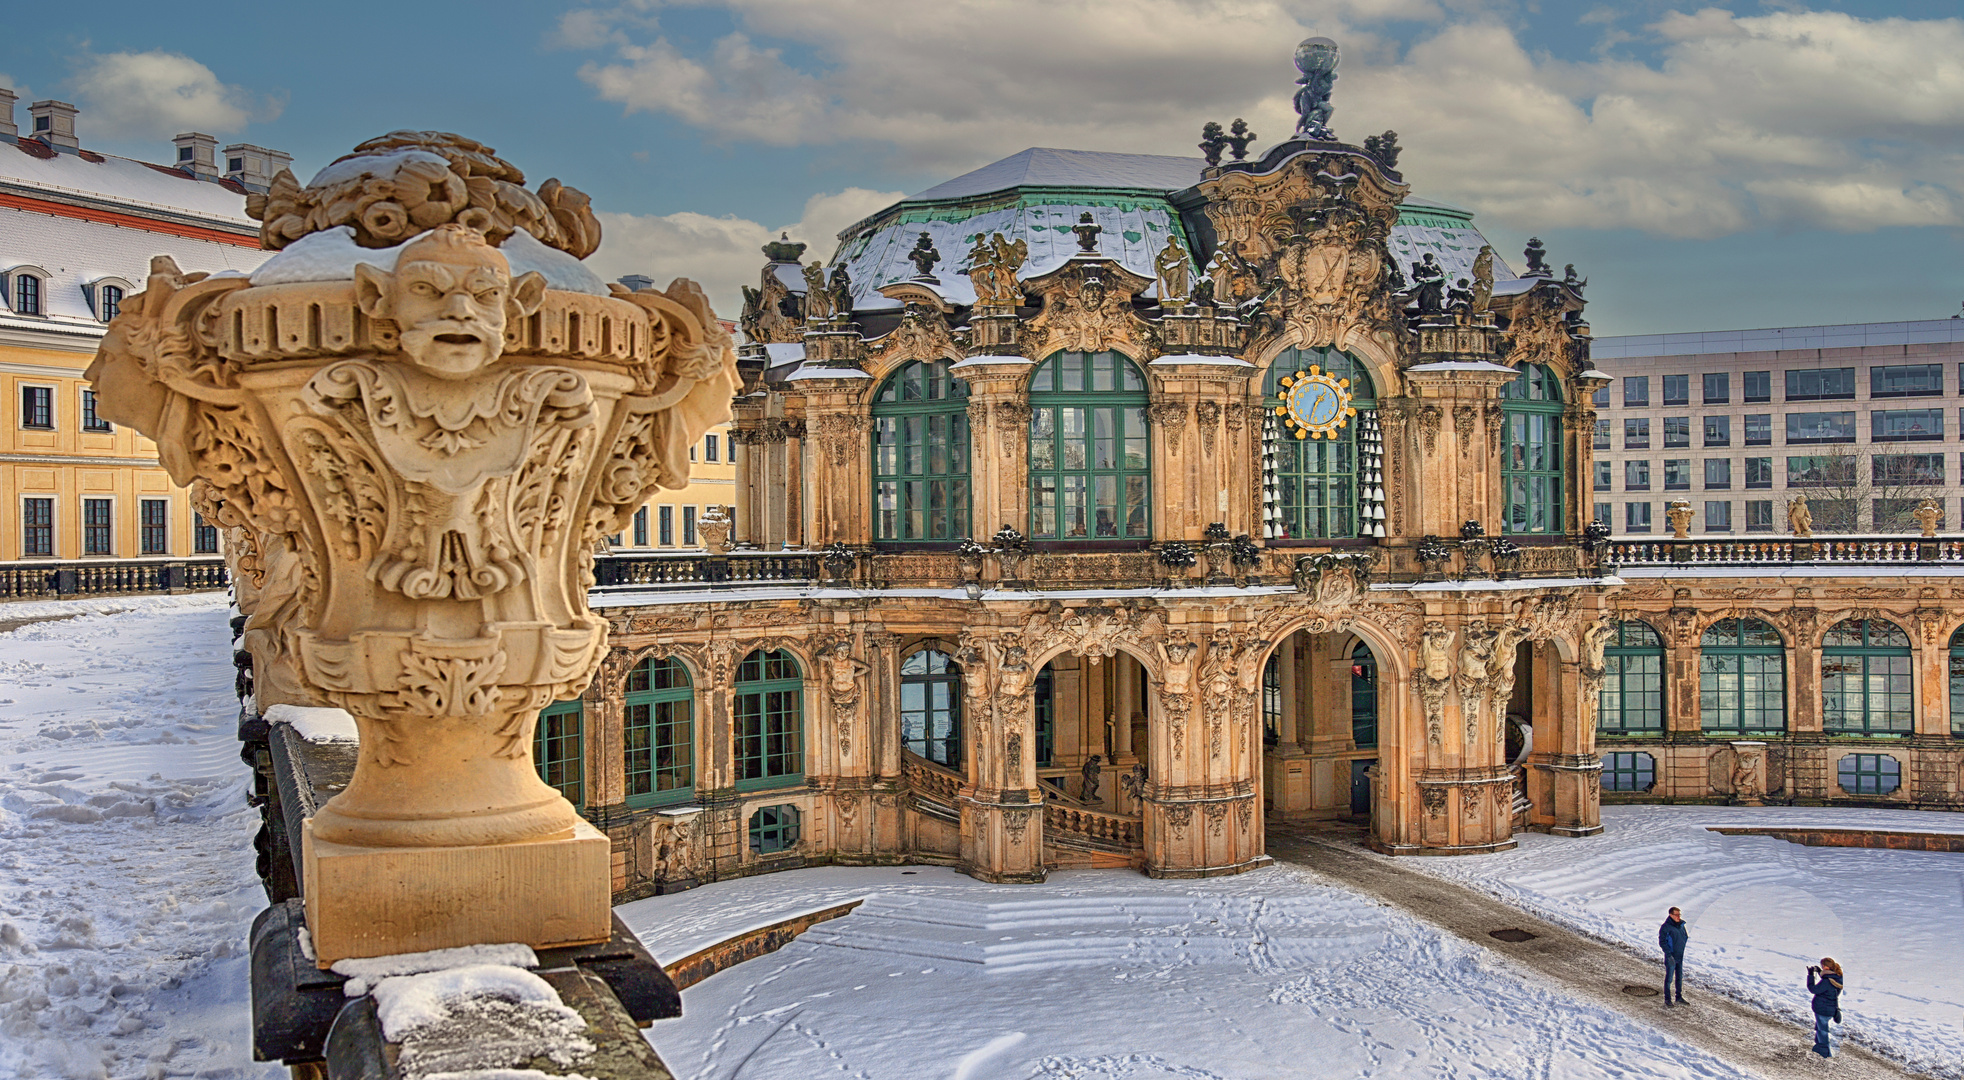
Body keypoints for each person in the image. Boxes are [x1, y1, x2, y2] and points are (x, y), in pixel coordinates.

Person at [1808, 958, 1844, 1058]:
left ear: (1826, 967)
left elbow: (1813, 989)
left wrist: (1810, 975)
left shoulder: (1827, 982)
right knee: (1820, 1028)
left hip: (1822, 1009)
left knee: (1822, 1031)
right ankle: (1818, 1049)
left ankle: (1825, 1054)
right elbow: (1828, 978)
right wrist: (1819, 971)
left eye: (1822, 966)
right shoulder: (1838, 977)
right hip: (1830, 1008)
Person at [1657, 907, 1688, 1005]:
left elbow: (1685, 937)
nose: (1678, 917)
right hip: (1671, 956)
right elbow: (1662, 942)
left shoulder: (1681, 926)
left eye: (1679, 914)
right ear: (1671, 915)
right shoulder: (1666, 927)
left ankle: (1679, 997)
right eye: (1676, 915)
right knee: (1669, 979)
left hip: (1680, 956)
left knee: (1679, 978)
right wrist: (1669, 955)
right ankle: (1667, 999)